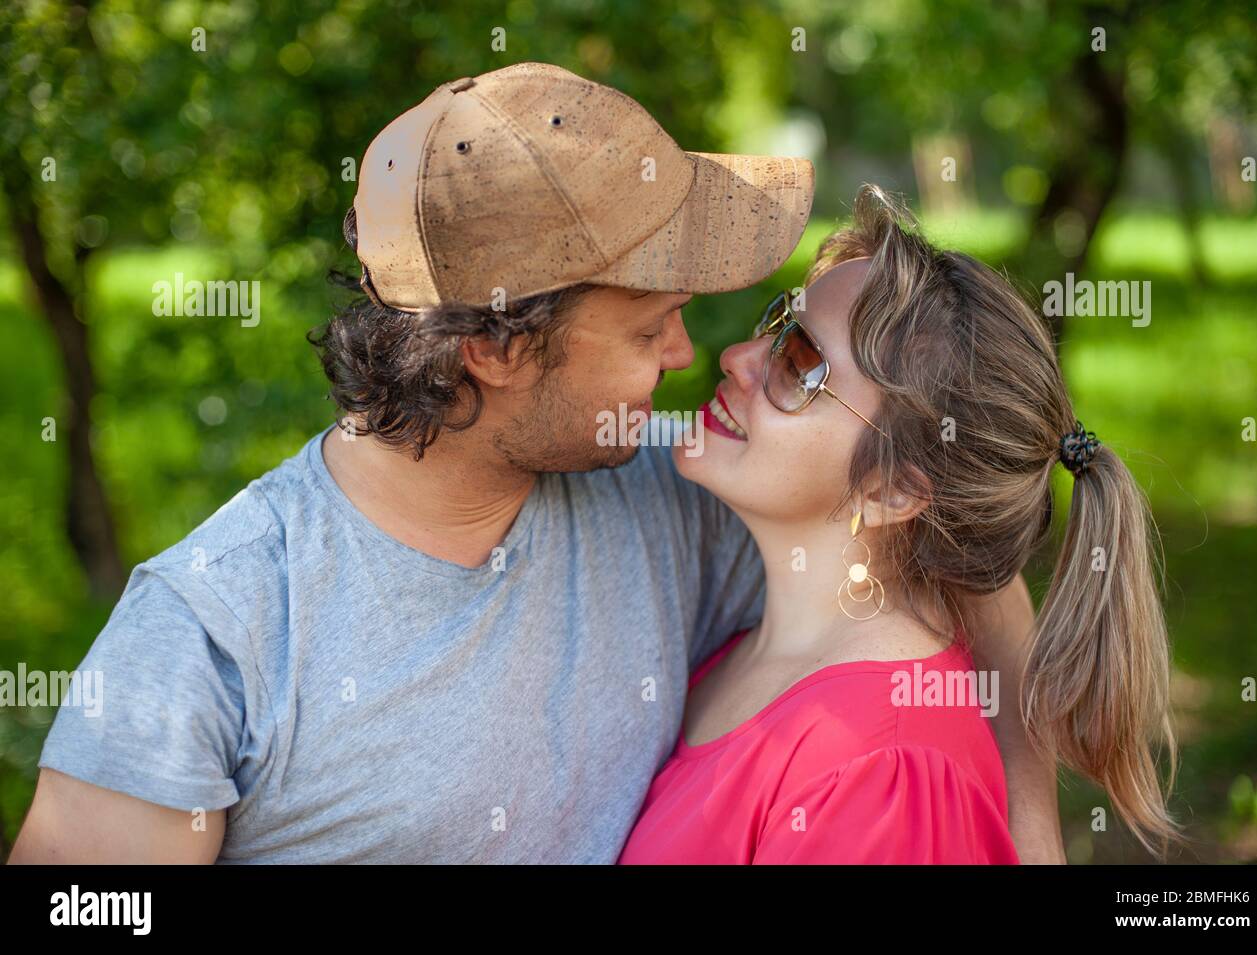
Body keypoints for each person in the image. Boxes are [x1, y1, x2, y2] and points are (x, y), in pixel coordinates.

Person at [9, 64, 1062, 864]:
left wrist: (1032, 824)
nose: (692, 358)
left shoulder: (669, 493)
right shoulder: (213, 634)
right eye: (650, 328)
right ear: (498, 348)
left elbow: (956, 563)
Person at [619, 185, 1181, 864]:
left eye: (799, 365)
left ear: (893, 488)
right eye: (777, 325)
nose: (739, 356)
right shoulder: (746, 651)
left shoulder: (885, 771)